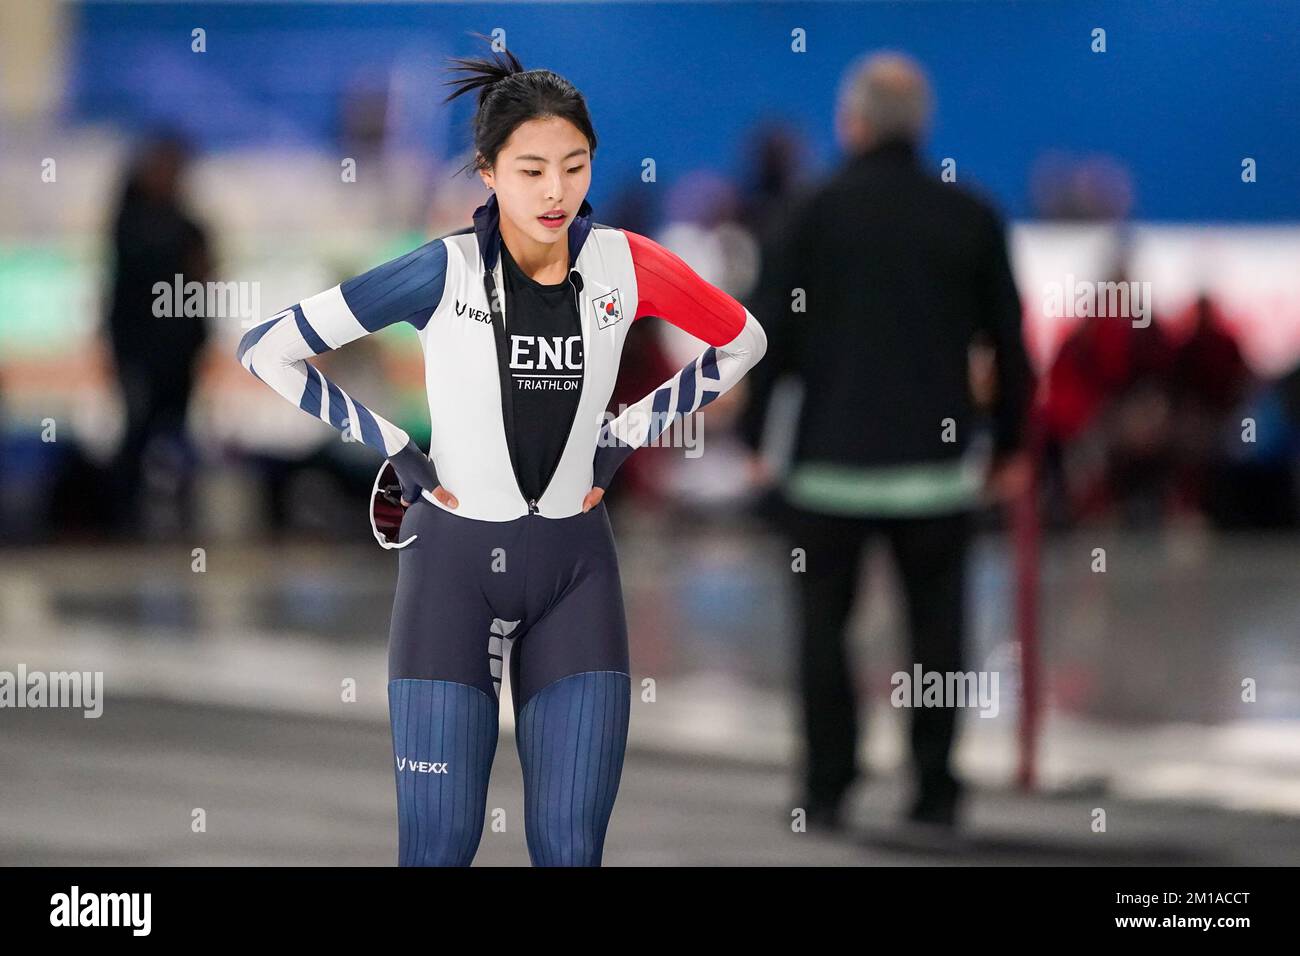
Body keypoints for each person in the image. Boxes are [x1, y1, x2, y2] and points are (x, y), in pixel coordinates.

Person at [236, 41, 767, 866]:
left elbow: (743, 341)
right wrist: (401, 453)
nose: (556, 192)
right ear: (487, 171)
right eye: (530, 170)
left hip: (577, 572)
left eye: (575, 165)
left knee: (567, 848)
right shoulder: (438, 271)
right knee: (440, 846)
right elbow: (267, 350)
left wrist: (623, 438)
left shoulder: (626, 264)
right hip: (449, 575)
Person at [739, 52, 1034, 831]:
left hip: (826, 471)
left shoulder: (807, 210)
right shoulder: (969, 213)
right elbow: (1008, 341)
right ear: (922, 125)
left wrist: (754, 437)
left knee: (821, 637)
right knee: (938, 638)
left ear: (853, 122)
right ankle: (935, 790)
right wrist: (1011, 443)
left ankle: (826, 789)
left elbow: (763, 335)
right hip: (935, 475)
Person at [105, 132, 212, 537]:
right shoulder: (132, 224)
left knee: (178, 434)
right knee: (137, 434)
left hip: (179, 351)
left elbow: (201, 284)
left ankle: (180, 520)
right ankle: (123, 521)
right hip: (140, 353)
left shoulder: (187, 226)